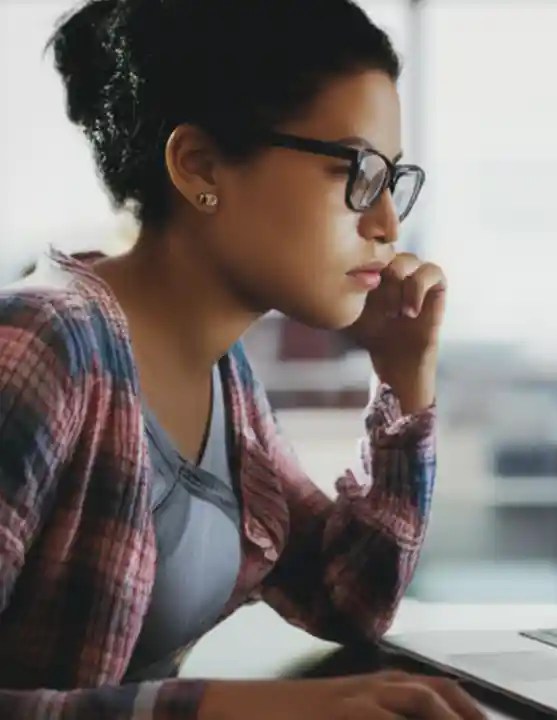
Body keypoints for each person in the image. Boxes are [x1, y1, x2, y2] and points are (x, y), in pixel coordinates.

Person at [0, 0, 484, 718]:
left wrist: (403, 381)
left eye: (393, 181)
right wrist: (230, 709)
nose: (387, 224)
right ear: (199, 166)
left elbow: (348, 600)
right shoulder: (45, 344)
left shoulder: (226, 380)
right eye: (356, 171)